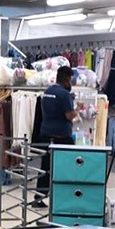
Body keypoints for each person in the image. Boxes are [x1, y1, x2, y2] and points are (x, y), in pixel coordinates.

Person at [35, 65, 77, 205]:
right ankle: (63, 198)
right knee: (67, 166)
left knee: (45, 166)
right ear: (66, 80)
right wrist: (78, 109)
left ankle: (39, 197)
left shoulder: (47, 91)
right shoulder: (64, 95)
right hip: (62, 137)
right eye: (70, 80)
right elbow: (69, 116)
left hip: (46, 133)